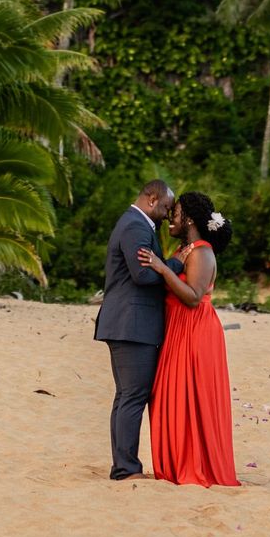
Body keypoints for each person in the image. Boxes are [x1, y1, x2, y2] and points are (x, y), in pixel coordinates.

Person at [137, 189, 241, 487]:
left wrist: (161, 268)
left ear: (190, 219)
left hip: (196, 332)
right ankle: (174, 465)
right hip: (177, 332)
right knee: (171, 397)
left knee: (191, 399)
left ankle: (195, 467)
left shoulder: (202, 252)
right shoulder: (183, 251)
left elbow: (194, 297)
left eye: (177, 212)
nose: (171, 216)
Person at [93, 178, 175, 480]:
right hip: (131, 323)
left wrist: (163, 265)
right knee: (134, 396)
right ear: (151, 199)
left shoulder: (136, 224)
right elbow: (143, 274)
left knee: (126, 395)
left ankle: (123, 465)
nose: (168, 215)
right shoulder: (135, 227)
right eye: (166, 207)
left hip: (127, 323)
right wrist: (175, 266)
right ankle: (126, 469)